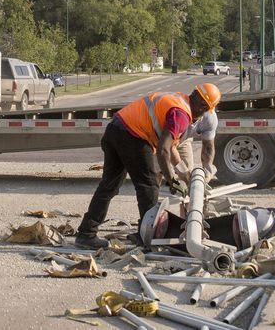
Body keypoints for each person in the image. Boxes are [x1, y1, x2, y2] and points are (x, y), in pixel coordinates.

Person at [74, 83, 223, 250]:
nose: (203, 115)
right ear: (202, 105)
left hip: (115, 130)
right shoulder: (181, 114)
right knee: (148, 186)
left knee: (109, 186)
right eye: (205, 110)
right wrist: (172, 180)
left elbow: (171, 146)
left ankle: (86, 234)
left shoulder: (179, 100)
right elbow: (163, 150)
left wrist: (183, 173)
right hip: (133, 136)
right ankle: (146, 238)